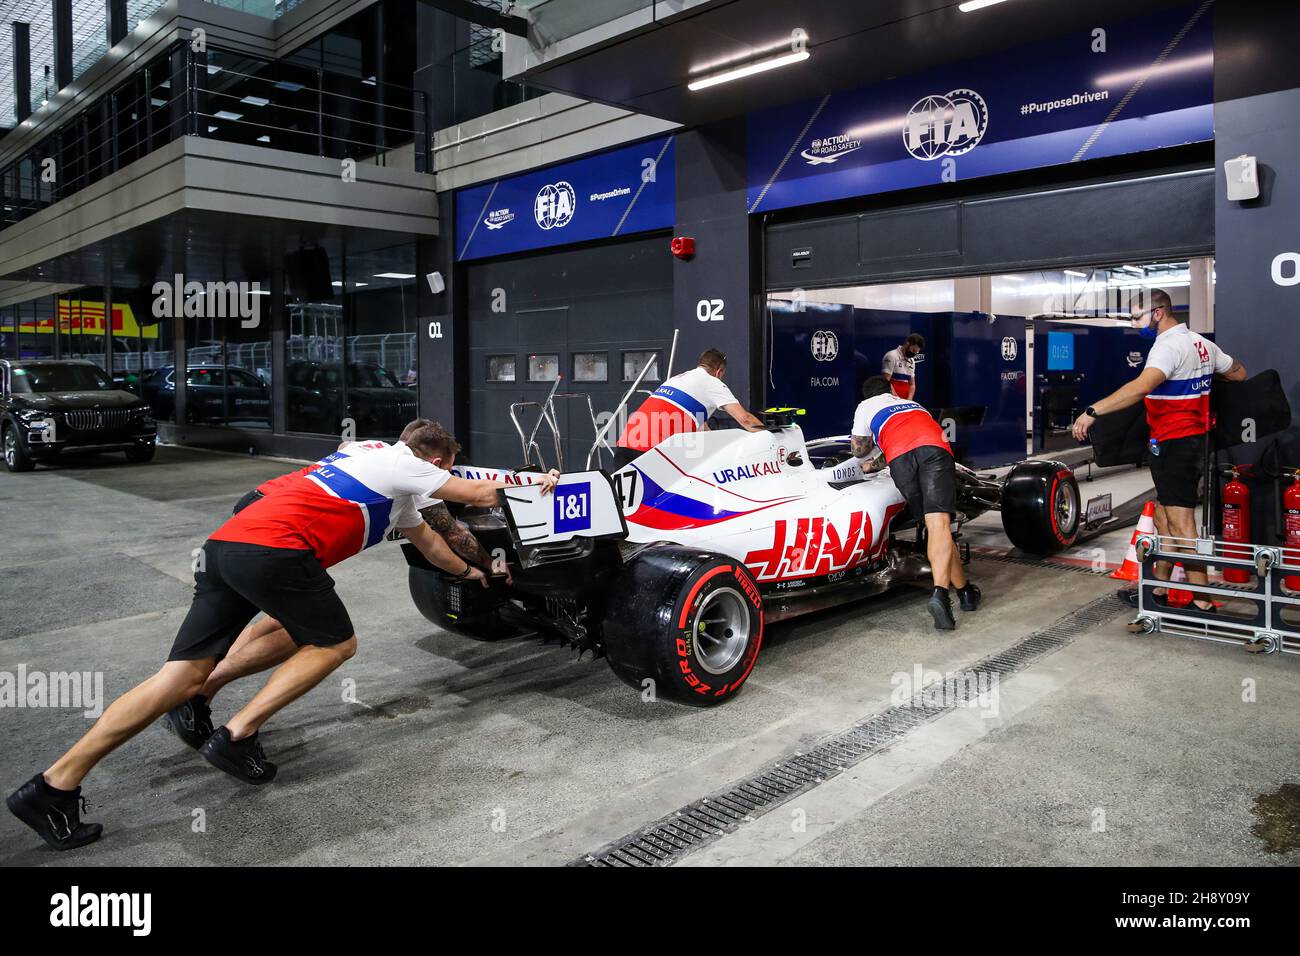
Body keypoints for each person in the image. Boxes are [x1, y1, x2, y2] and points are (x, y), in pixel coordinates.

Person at [6, 421, 559, 851]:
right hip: (277, 548)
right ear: (436, 461)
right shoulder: (402, 462)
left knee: (183, 674)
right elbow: (482, 496)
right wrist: (540, 481)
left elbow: (436, 544)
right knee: (337, 643)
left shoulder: (372, 461)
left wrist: (474, 575)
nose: (439, 481)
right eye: (443, 470)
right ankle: (238, 734)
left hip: (229, 545)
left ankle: (52, 786)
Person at [163, 421, 503, 748]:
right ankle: (210, 703)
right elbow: (452, 533)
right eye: (446, 469)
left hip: (262, 504)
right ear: (436, 463)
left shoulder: (369, 449)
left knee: (276, 616)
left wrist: (464, 572)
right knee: (314, 634)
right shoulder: (410, 471)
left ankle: (195, 695)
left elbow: (424, 538)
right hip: (281, 531)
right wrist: (489, 564)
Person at [1071, 289, 1246, 611]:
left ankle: (1203, 602)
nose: (1135, 324)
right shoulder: (1202, 344)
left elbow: (1141, 387)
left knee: (1182, 524)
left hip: (1175, 444)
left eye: (1137, 317)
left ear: (1158, 313)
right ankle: (1160, 591)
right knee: (1165, 517)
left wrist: (1092, 412)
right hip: (1190, 441)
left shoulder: (1167, 347)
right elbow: (1238, 372)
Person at [852, 375, 980, 631]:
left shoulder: (865, 406)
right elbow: (915, 437)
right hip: (934, 450)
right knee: (939, 527)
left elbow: (859, 449)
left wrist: (869, 461)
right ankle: (940, 595)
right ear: (891, 390)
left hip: (899, 459)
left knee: (936, 529)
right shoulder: (913, 405)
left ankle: (964, 591)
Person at [616, 348, 764, 456]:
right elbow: (745, 419)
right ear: (719, 372)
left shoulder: (676, 379)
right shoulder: (712, 382)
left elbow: (703, 430)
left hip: (623, 449)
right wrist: (771, 436)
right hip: (647, 455)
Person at [882, 334, 925, 399]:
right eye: (913, 350)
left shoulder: (912, 361)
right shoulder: (891, 356)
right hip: (892, 399)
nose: (914, 354)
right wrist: (895, 399)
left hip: (905, 400)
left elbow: (912, 384)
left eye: (916, 352)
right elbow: (886, 381)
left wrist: (909, 400)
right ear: (907, 344)